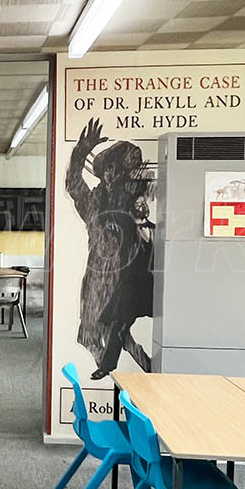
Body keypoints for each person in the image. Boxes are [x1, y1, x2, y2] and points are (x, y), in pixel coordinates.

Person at [66, 117, 153, 380]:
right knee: (96, 330)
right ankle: (124, 365)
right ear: (107, 170)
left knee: (115, 327)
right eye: (116, 168)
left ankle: (139, 367)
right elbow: (74, 186)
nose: (119, 175)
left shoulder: (135, 198)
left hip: (127, 275)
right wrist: (80, 152)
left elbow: (144, 229)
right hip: (100, 276)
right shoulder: (96, 200)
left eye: (127, 169)